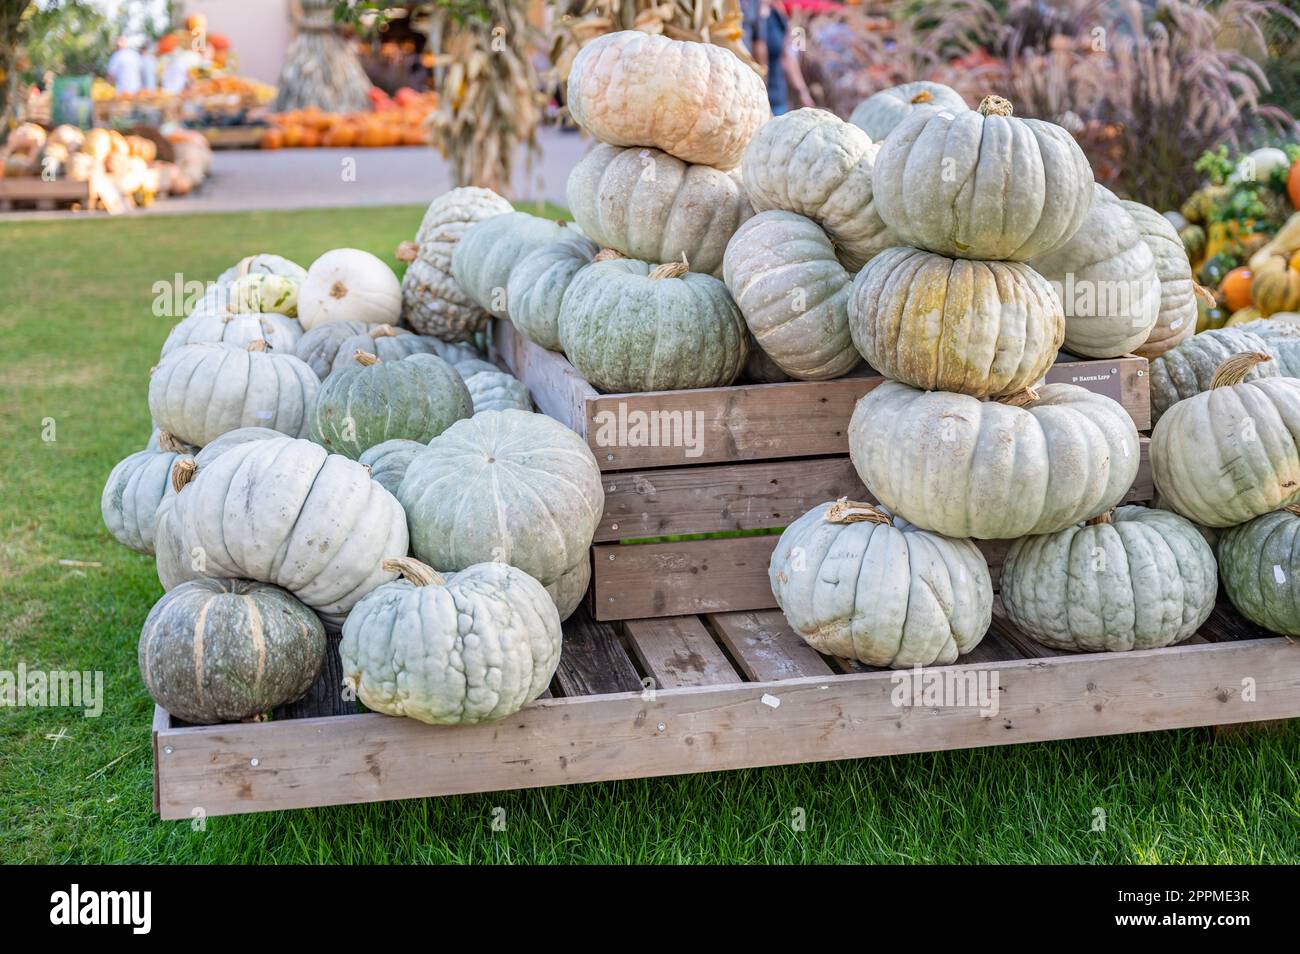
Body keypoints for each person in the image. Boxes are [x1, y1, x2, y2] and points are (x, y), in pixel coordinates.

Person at [742, 0, 814, 115]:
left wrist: (802, 91)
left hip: (776, 97)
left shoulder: (778, 16)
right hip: (750, 97)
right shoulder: (746, 11)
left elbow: (791, 57)